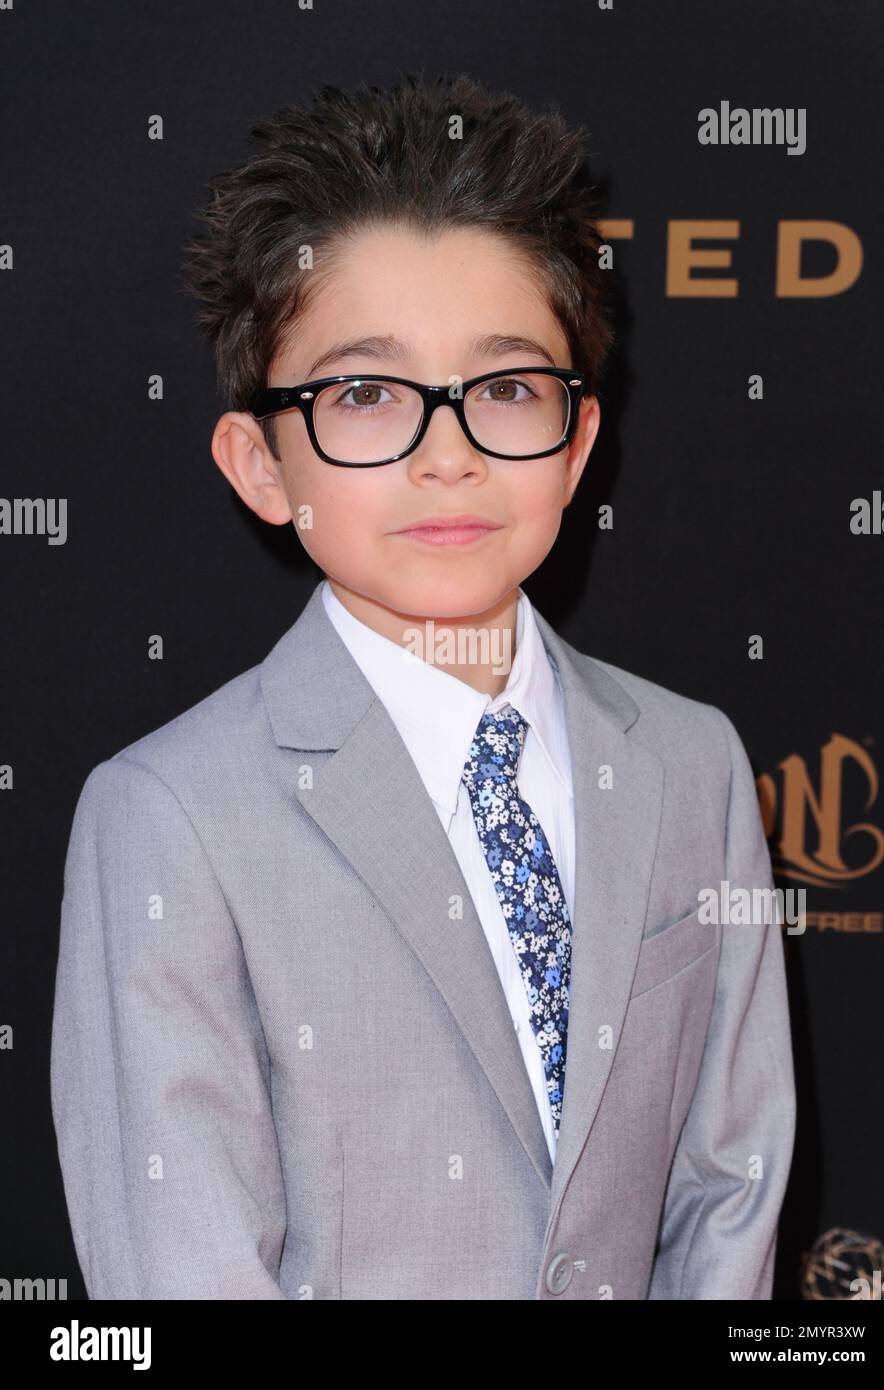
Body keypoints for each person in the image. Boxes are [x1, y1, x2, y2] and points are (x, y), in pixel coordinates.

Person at [50, 71, 795, 1300]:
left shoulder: (691, 760)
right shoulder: (168, 818)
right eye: (365, 395)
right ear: (261, 465)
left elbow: (735, 1188)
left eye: (506, 389)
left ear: (578, 443)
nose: (446, 456)